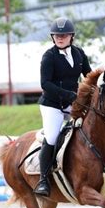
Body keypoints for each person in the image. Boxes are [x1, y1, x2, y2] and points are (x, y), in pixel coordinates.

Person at [33, 17, 92, 196]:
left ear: (71, 36)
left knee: (95, 125)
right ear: (52, 37)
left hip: (73, 104)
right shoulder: (49, 56)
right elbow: (45, 84)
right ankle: (43, 180)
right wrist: (70, 95)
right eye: (57, 35)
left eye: (64, 35)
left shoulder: (79, 53)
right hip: (53, 105)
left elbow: (88, 76)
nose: (60, 38)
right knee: (51, 137)